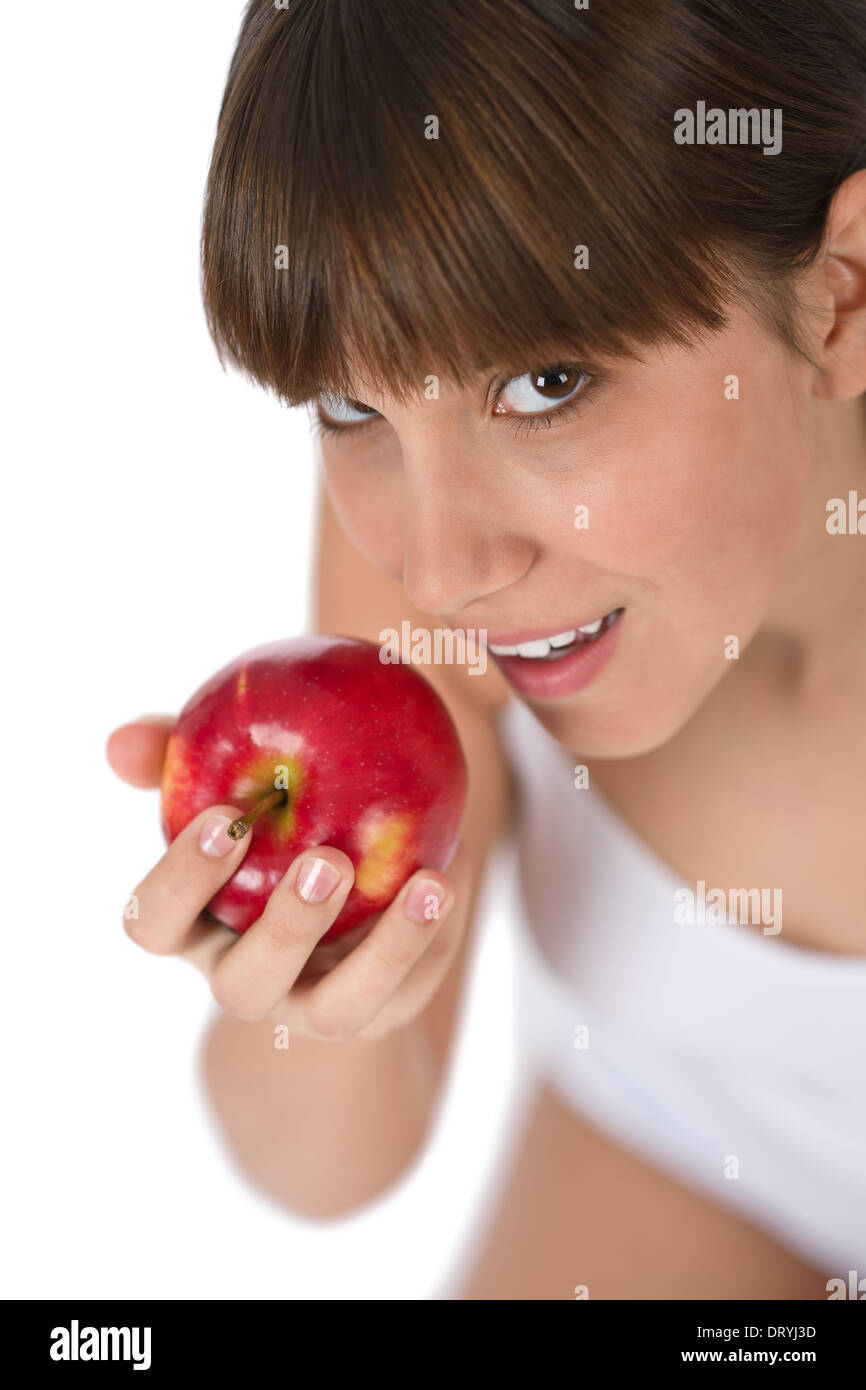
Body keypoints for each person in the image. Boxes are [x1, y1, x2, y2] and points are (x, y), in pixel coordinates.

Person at [107, 0, 866, 1298]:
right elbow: (323, 1171)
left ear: (840, 295)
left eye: (546, 384)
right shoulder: (432, 528)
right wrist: (311, 990)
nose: (441, 571)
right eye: (349, 406)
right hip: (691, 1141)